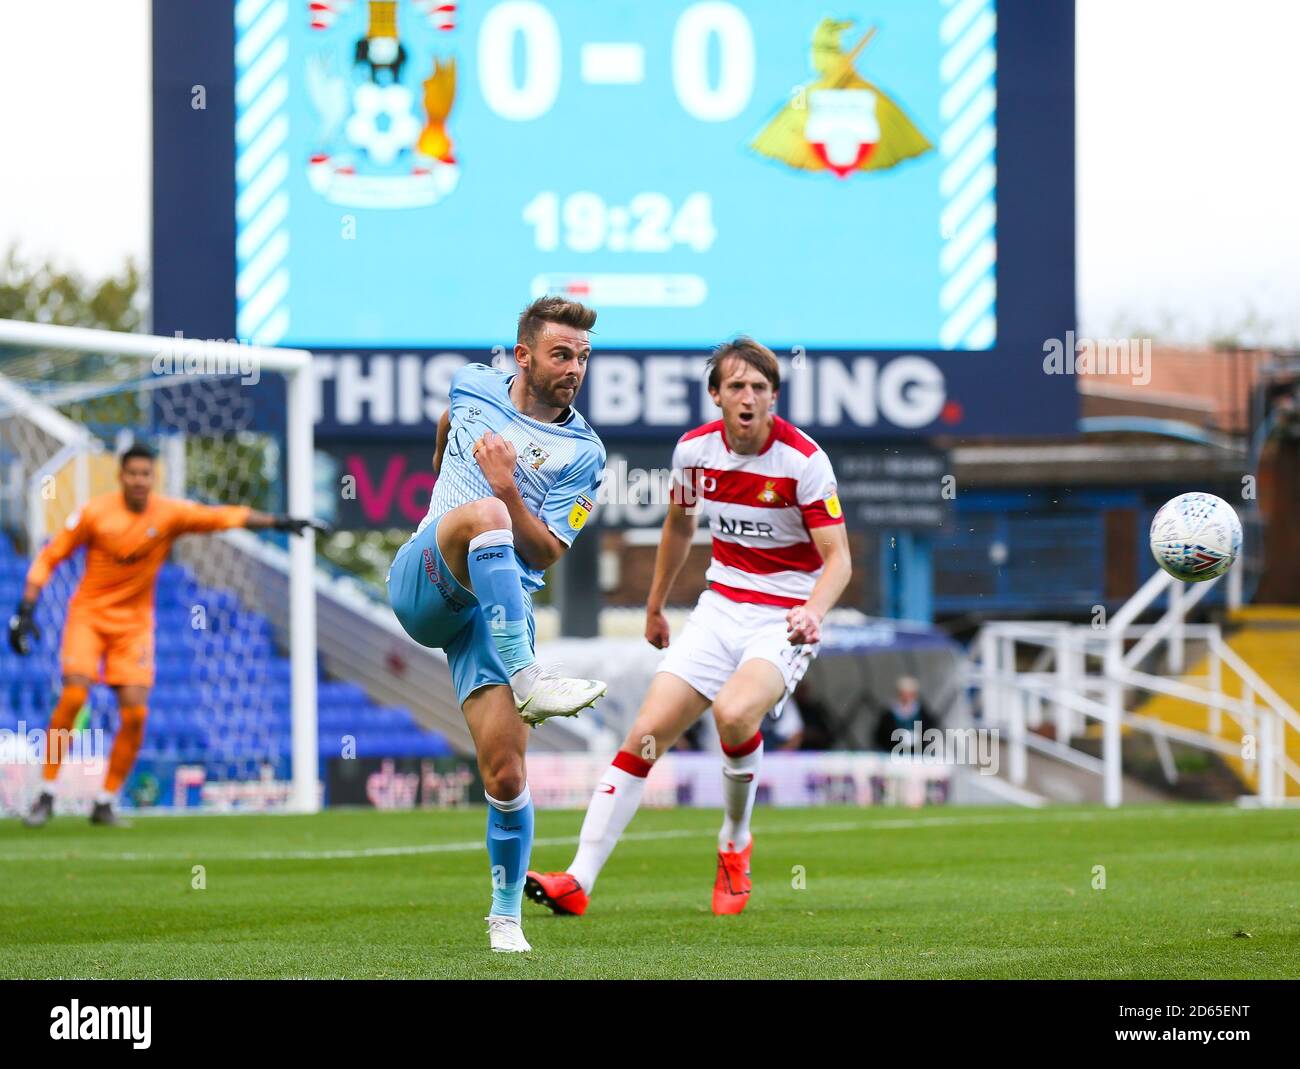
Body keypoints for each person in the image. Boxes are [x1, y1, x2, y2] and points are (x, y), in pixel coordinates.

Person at [526, 336, 852, 918]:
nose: (748, 397)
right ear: (716, 396)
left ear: (773, 396)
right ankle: (577, 880)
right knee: (644, 736)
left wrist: (813, 612)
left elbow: (840, 560)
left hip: (783, 617)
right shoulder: (695, 453)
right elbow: (679, 526)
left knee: (733, 713)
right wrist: (654, 606)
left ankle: (734, 841)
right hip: (718, 609)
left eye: (759, 388)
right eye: (736, 387)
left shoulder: (804, 461)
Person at [386, 296, 608, 953]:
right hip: (427, 577)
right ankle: (530, 677)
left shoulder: (584, 452)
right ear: (523, 355)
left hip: (494, 610)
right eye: (562, 354)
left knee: (507, 774)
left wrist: (508, 486)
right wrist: (453, 483)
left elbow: (545, 553)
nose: (574, 368)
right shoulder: (471, 383)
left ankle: (505, 916)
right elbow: (448, 423)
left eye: (583, 358)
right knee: (483, 514)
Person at [10, 442, 322, 827]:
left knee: (136, 713)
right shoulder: (95, 513)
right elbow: (50, 555)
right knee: (75, 694)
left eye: (146, 474)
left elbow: (221, 516)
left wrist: (277, 522)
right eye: (133, 473)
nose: (140, 480)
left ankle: (105, 801)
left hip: (135, 625)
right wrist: (26, 607)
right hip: (89, 617)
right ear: (121, 476)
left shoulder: (169, 513)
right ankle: (45, 793)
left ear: (153, 478)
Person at [872, 675, 934, 754]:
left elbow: (929, 729)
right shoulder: (889, 713)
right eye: (903, 693)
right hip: (893, 752)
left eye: (910, 694)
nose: (906, 697)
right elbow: (881, 735)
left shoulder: (922, 712)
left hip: (917, 753)